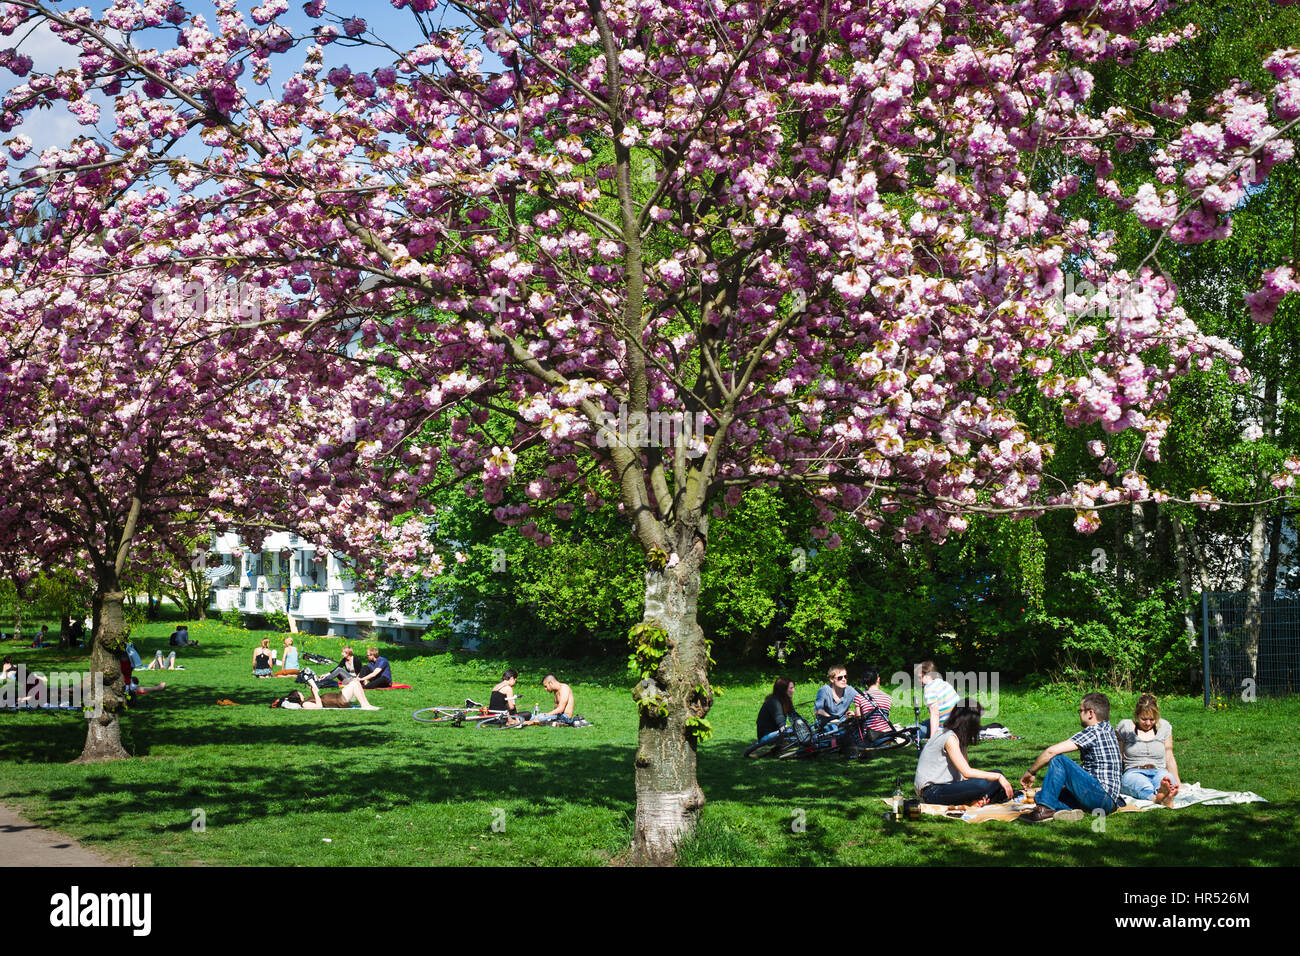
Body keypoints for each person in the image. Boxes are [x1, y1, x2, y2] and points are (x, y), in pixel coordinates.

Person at [1020, 691, 1123, 822]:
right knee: (1042, 794)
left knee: (1060, 760)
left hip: (1100, 797)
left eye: (1080, 711)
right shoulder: (1108, 729)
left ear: (1090, 713)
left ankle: (1044, 810)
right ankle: (1068, 811)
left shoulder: (1094, 732)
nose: (1079, 714)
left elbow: (1051, 752)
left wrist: (1031, 772)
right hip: (1108, 802)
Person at [914, 699, 1014, 806]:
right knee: (984, 783)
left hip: (950, 786)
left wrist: (996, 776)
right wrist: (997, 777)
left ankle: (979, 799)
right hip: (933, 792)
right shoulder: (949, 737)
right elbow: (967, 772)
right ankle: (982, 797)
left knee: (996, 773)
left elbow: (965, 775)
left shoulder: (960, 737)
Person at [1116, 693, 1180, 807]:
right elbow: (1118, 756)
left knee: (1169, 779)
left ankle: (1164, 791)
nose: (1148, 723)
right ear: (1136, 715)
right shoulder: (1126, 727)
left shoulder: (1164, 728)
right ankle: (1158, 798)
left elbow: (1169, 756)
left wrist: (1177, 781)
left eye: (1152, 719)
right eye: (1144, 719)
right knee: (1143, 785)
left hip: (1158, 770)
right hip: (1134, 771)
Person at [914, 661, 959, 740]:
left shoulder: (929, 688)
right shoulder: (945, 684)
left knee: (916, 730)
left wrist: (933, 739)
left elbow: (935, 715)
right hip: (958, 723)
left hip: (945, 727)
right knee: (923, 724)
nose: (918, 680)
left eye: (919, 677)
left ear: (927, 675)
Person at [274, 678, 377, 710]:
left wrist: (313, 692)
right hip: (339, 701)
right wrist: (315, 693)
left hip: (338, 697)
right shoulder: (304, 704)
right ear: (297, 696)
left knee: (356, 682)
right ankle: (364, 705)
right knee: (354, 683)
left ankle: (366, 704)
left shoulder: (307, 700)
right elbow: (318, 706)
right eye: (299, 693)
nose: (302, 694)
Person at [851, 668, 894, 733]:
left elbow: (858, 717)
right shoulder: (888, 697)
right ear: (878, 680)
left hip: (871, 735)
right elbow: (886, 716)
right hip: (887, 733)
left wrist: (853, 714)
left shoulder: (859, 697)